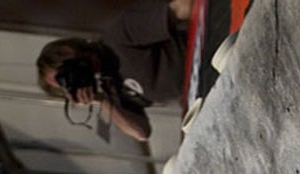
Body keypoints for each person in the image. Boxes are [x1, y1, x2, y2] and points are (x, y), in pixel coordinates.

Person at [36, 1, 190, 141]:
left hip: (200, 59)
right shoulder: (109, 86)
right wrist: (101, 100)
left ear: (67, 50)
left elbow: (180, 9)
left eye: (65, 75)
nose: (72, 82)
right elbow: (141, 133)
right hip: (194, 91)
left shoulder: (118, 37)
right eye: (65, 85)